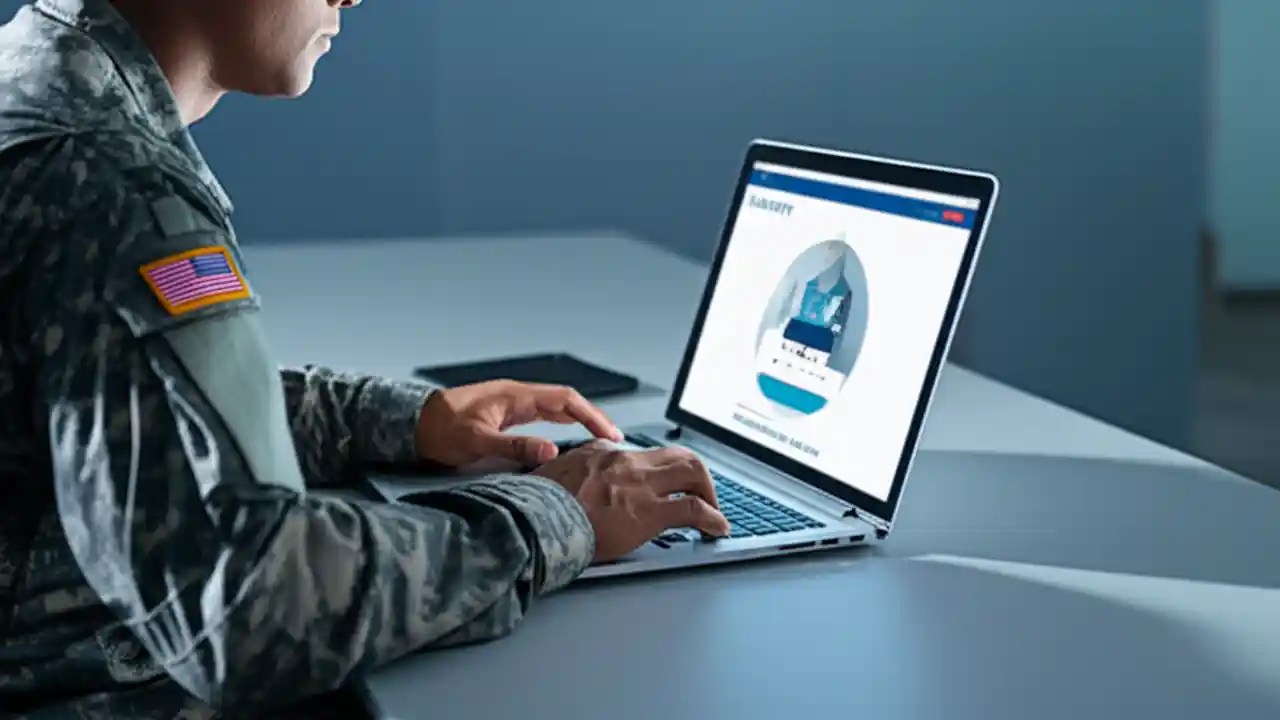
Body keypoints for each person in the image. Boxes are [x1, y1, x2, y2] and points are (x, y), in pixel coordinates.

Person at [0, 0, 731, 717]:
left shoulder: (34, 84)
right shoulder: (110, 183)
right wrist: (558, 514)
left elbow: (113, 403)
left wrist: (400, 422)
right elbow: (252, 606)